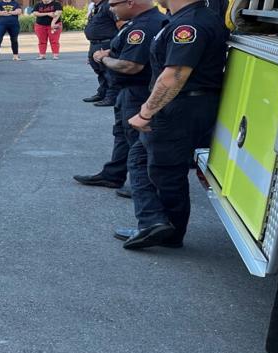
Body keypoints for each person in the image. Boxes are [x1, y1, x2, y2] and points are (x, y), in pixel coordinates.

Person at [121, 0, 227, 250]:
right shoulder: (188, 17)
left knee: (166, 172)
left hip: (180, 107)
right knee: (138, 157)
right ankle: (151, 221)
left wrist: (146, 112)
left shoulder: (190, 24)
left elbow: (176, 73)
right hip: (185, 104)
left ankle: (169, 233)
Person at [75, 0, 163, 191]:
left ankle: (144, 187)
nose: (111, 8)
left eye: (114, 4)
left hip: (137, 90)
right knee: (122, 134)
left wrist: (104, 58)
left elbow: (131, 65)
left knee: (137, 142)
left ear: (130, 3)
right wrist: (112, 51)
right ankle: (113, 174)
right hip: (127, 90)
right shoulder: (136, 22)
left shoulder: (144, 26)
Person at [83, 0, 119, 103]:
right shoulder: (96, 6)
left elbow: (120, 23)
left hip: (106, 42)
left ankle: (111, 96)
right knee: (100, 71)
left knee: (109, 72)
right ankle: (102, 92)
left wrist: (114, 45)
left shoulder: (108, 5)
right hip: (95, 43)